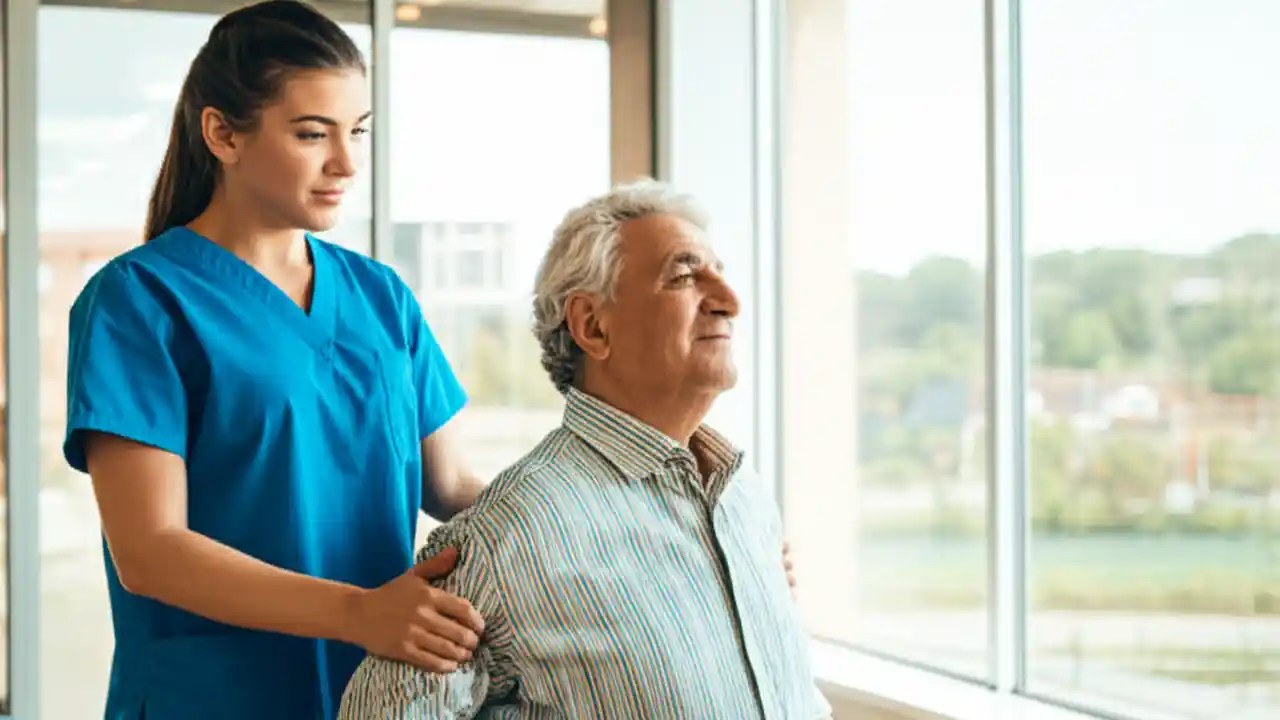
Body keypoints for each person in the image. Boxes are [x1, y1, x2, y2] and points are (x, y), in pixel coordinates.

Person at [63, 2, 486, 717]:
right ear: (223, 133)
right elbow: (150, 550)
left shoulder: (380, 296)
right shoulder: (138, 301)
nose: (346, 163)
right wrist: (358, 613)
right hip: (212, 699)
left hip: (374, 694)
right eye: (312, 134)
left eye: (357, 132)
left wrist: (594, 515)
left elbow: (449, 486)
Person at [338, 180, 831, 719]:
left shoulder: (745, 501)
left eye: (720, 273)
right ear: (592, 326)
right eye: (685, 276)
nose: (730, 301)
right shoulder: (510, 538)